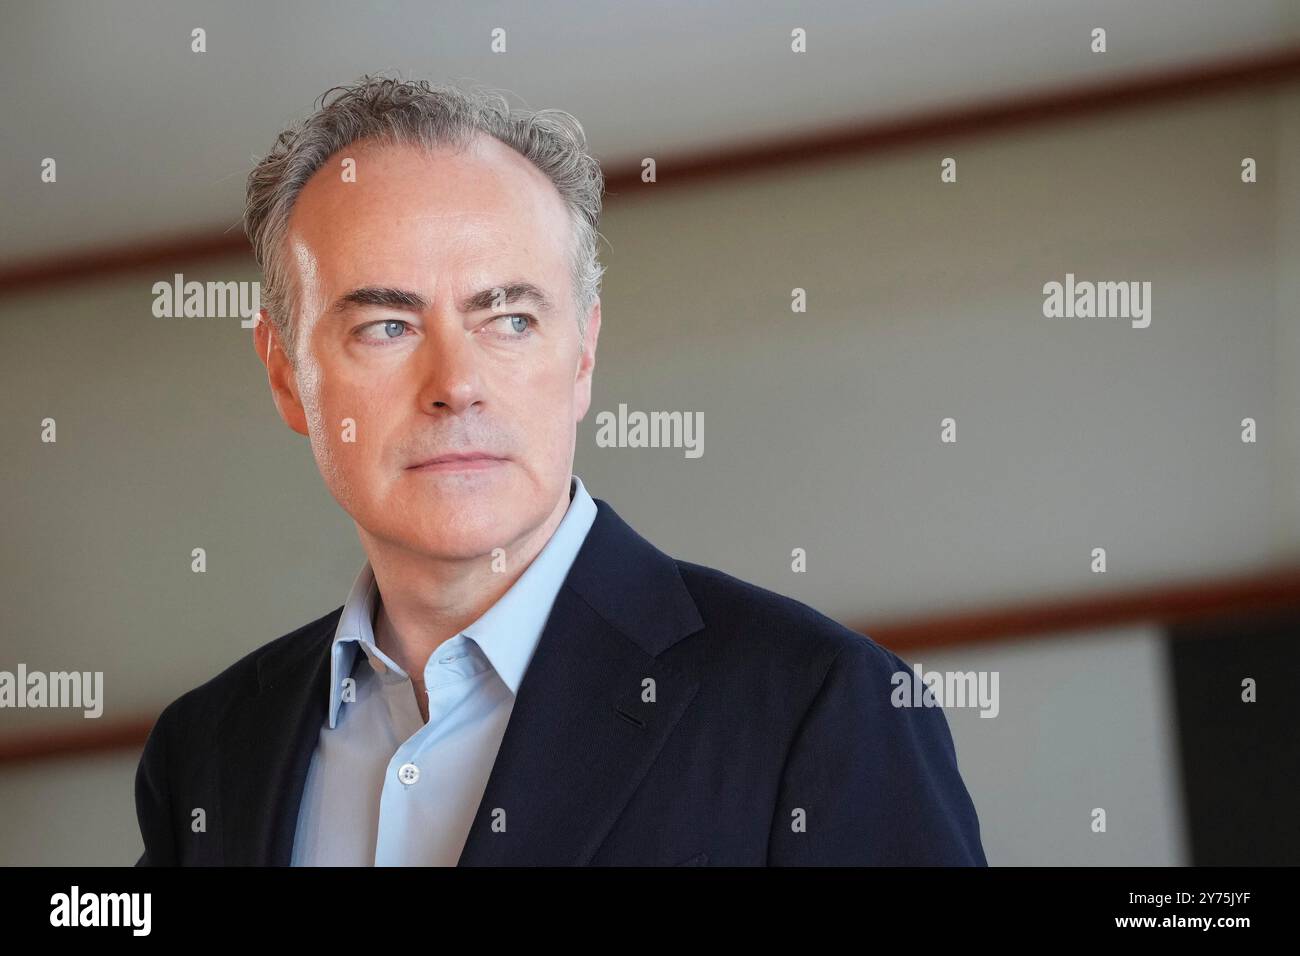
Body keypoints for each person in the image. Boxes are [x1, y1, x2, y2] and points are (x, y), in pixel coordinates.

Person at [134, 76, 987, 866]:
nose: (456, 386)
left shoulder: (818, 707)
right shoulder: (206, 754)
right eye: (387, 327)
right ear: (286, 373)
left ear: (582, 354)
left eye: (508, 318)